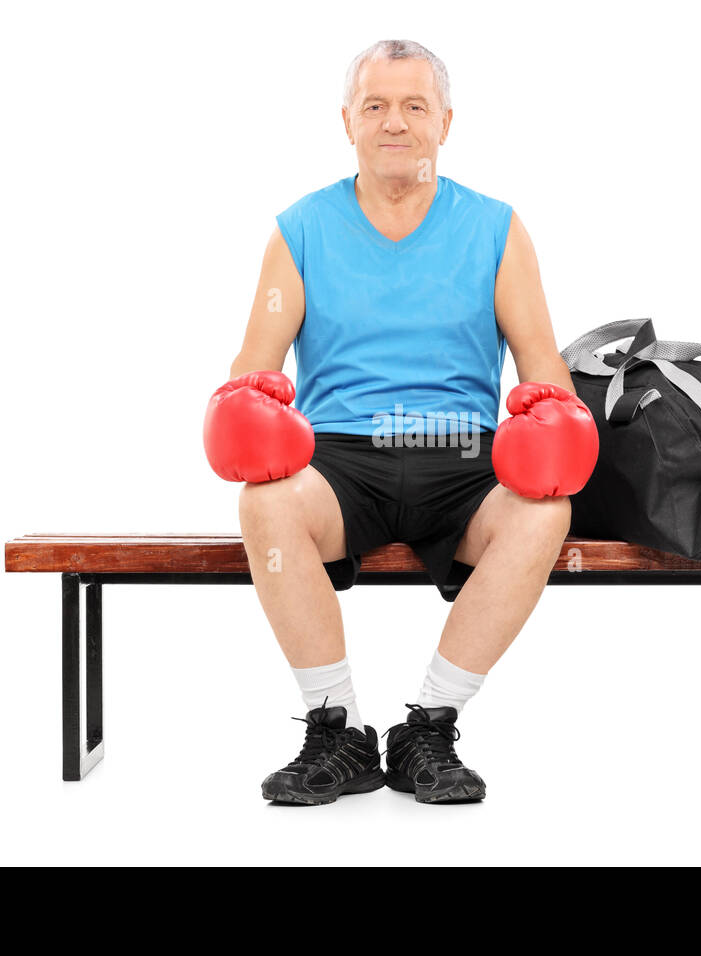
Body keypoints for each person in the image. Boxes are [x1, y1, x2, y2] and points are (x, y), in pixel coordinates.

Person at [203, 39, 597, 805]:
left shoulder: (496, 228)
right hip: (342, 459)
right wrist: (247, 416)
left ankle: (430, 726)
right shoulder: (301, 229)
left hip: (463, 455)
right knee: (263, 501)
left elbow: (544, 371)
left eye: (414, 106)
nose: (395, 122)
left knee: (546, 511)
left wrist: (553, 420)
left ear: (445, 122)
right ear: (346, 120)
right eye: (376, 105)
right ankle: (337, 730)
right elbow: (252, 370)